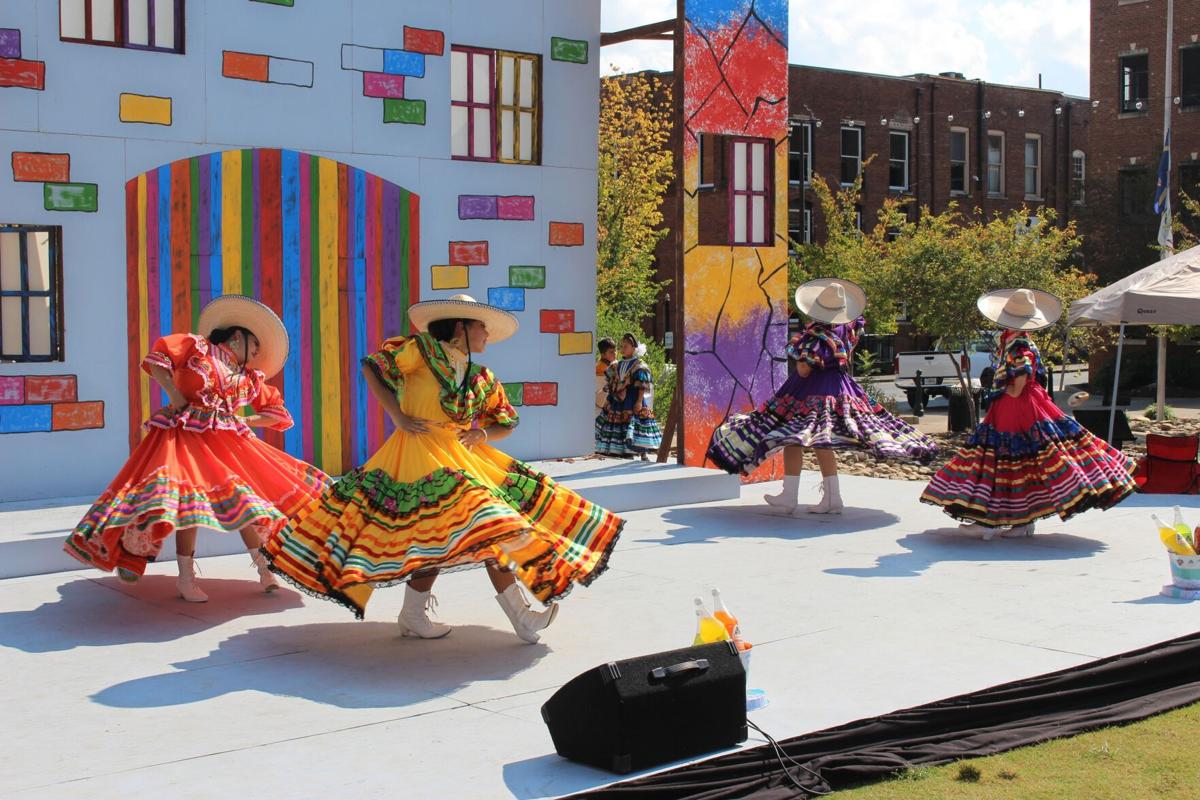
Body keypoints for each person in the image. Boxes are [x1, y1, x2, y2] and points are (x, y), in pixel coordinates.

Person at [263, 294, 624, 643]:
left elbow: (507, 421)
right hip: (416, 453)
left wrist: (481, 432)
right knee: (470, 526)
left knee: (455, 533)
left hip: (460, 455)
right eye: (481, 327)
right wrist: (398, 416)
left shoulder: (481, 376)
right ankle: (497, 616)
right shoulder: (421, 351)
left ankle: (427, 616)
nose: (486, 335)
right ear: (461, 328)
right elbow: (372, 367)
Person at [64, 296, 329, 601]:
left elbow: (277, 414)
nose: (256, 355)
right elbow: (159, 360)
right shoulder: (197, 348)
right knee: (183, 503)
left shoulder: (247, 377)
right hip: (184, 438)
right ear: (238, 335)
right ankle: (179, 574)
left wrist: (244, 418)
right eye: (254, 346)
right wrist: (175, 395)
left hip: (225, 444)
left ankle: (264, 567)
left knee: (247, 503)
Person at [707, 278, 937, 513]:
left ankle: (791, 496)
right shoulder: (848, 327)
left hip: (808, 391)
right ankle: (831, 498)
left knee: (791, 439)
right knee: (821, 441)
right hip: (839, 387)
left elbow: (805, 369)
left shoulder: (816, 335)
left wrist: (799, 356)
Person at [920, 288, 1137, 537]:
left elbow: (1018, 386)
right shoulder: (1015, 341)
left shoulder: (1018, 346)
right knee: (1021, 463)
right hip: (1023, 405)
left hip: (1016, 406)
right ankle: (1019, 522)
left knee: (1001, 460)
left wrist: (999, 388)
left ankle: (988, 521)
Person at [595, 333, 664, 461]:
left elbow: (642, 385)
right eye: (621, 346)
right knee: (621, 425)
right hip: (619, 401)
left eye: (625, 346)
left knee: (636, 424)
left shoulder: (639, 365)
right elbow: (611, 381)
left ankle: (643, 453)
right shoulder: (617, 365)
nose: (622, 349)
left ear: (633, 348)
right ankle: (625, 452)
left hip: (632, 399)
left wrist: (638, 401)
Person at [595, 337, 616, 414]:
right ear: (603, 354)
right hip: (601, 407)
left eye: (615, 351)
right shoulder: (601, 367)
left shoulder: (609, 364)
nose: (614, 354)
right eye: (611, 352)